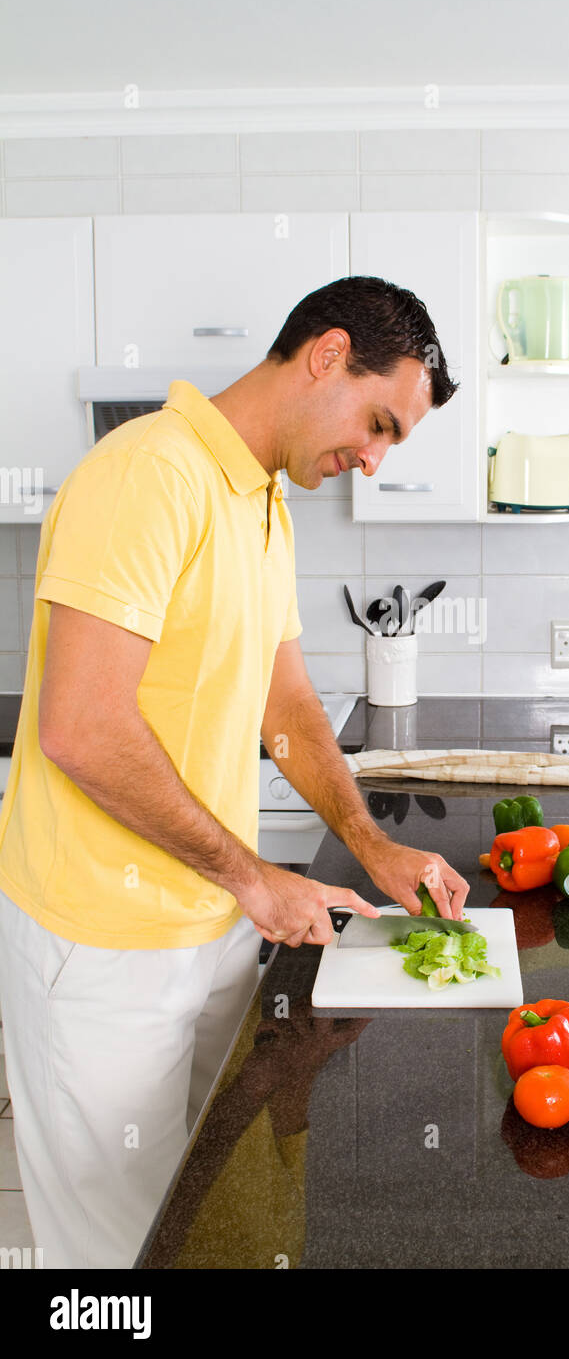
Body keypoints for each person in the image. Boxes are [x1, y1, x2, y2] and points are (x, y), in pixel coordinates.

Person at [0, 274, 470, 1269]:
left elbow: (288, 709)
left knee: (214, 1216)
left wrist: (369, 845)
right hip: (103, 948)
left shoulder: (261, 499)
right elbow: (81, 728)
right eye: (380, 422)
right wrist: (255, 874)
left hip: (211, 927)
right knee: (116, 1251)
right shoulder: (148, 474)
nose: (375, 461)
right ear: (327, 355)